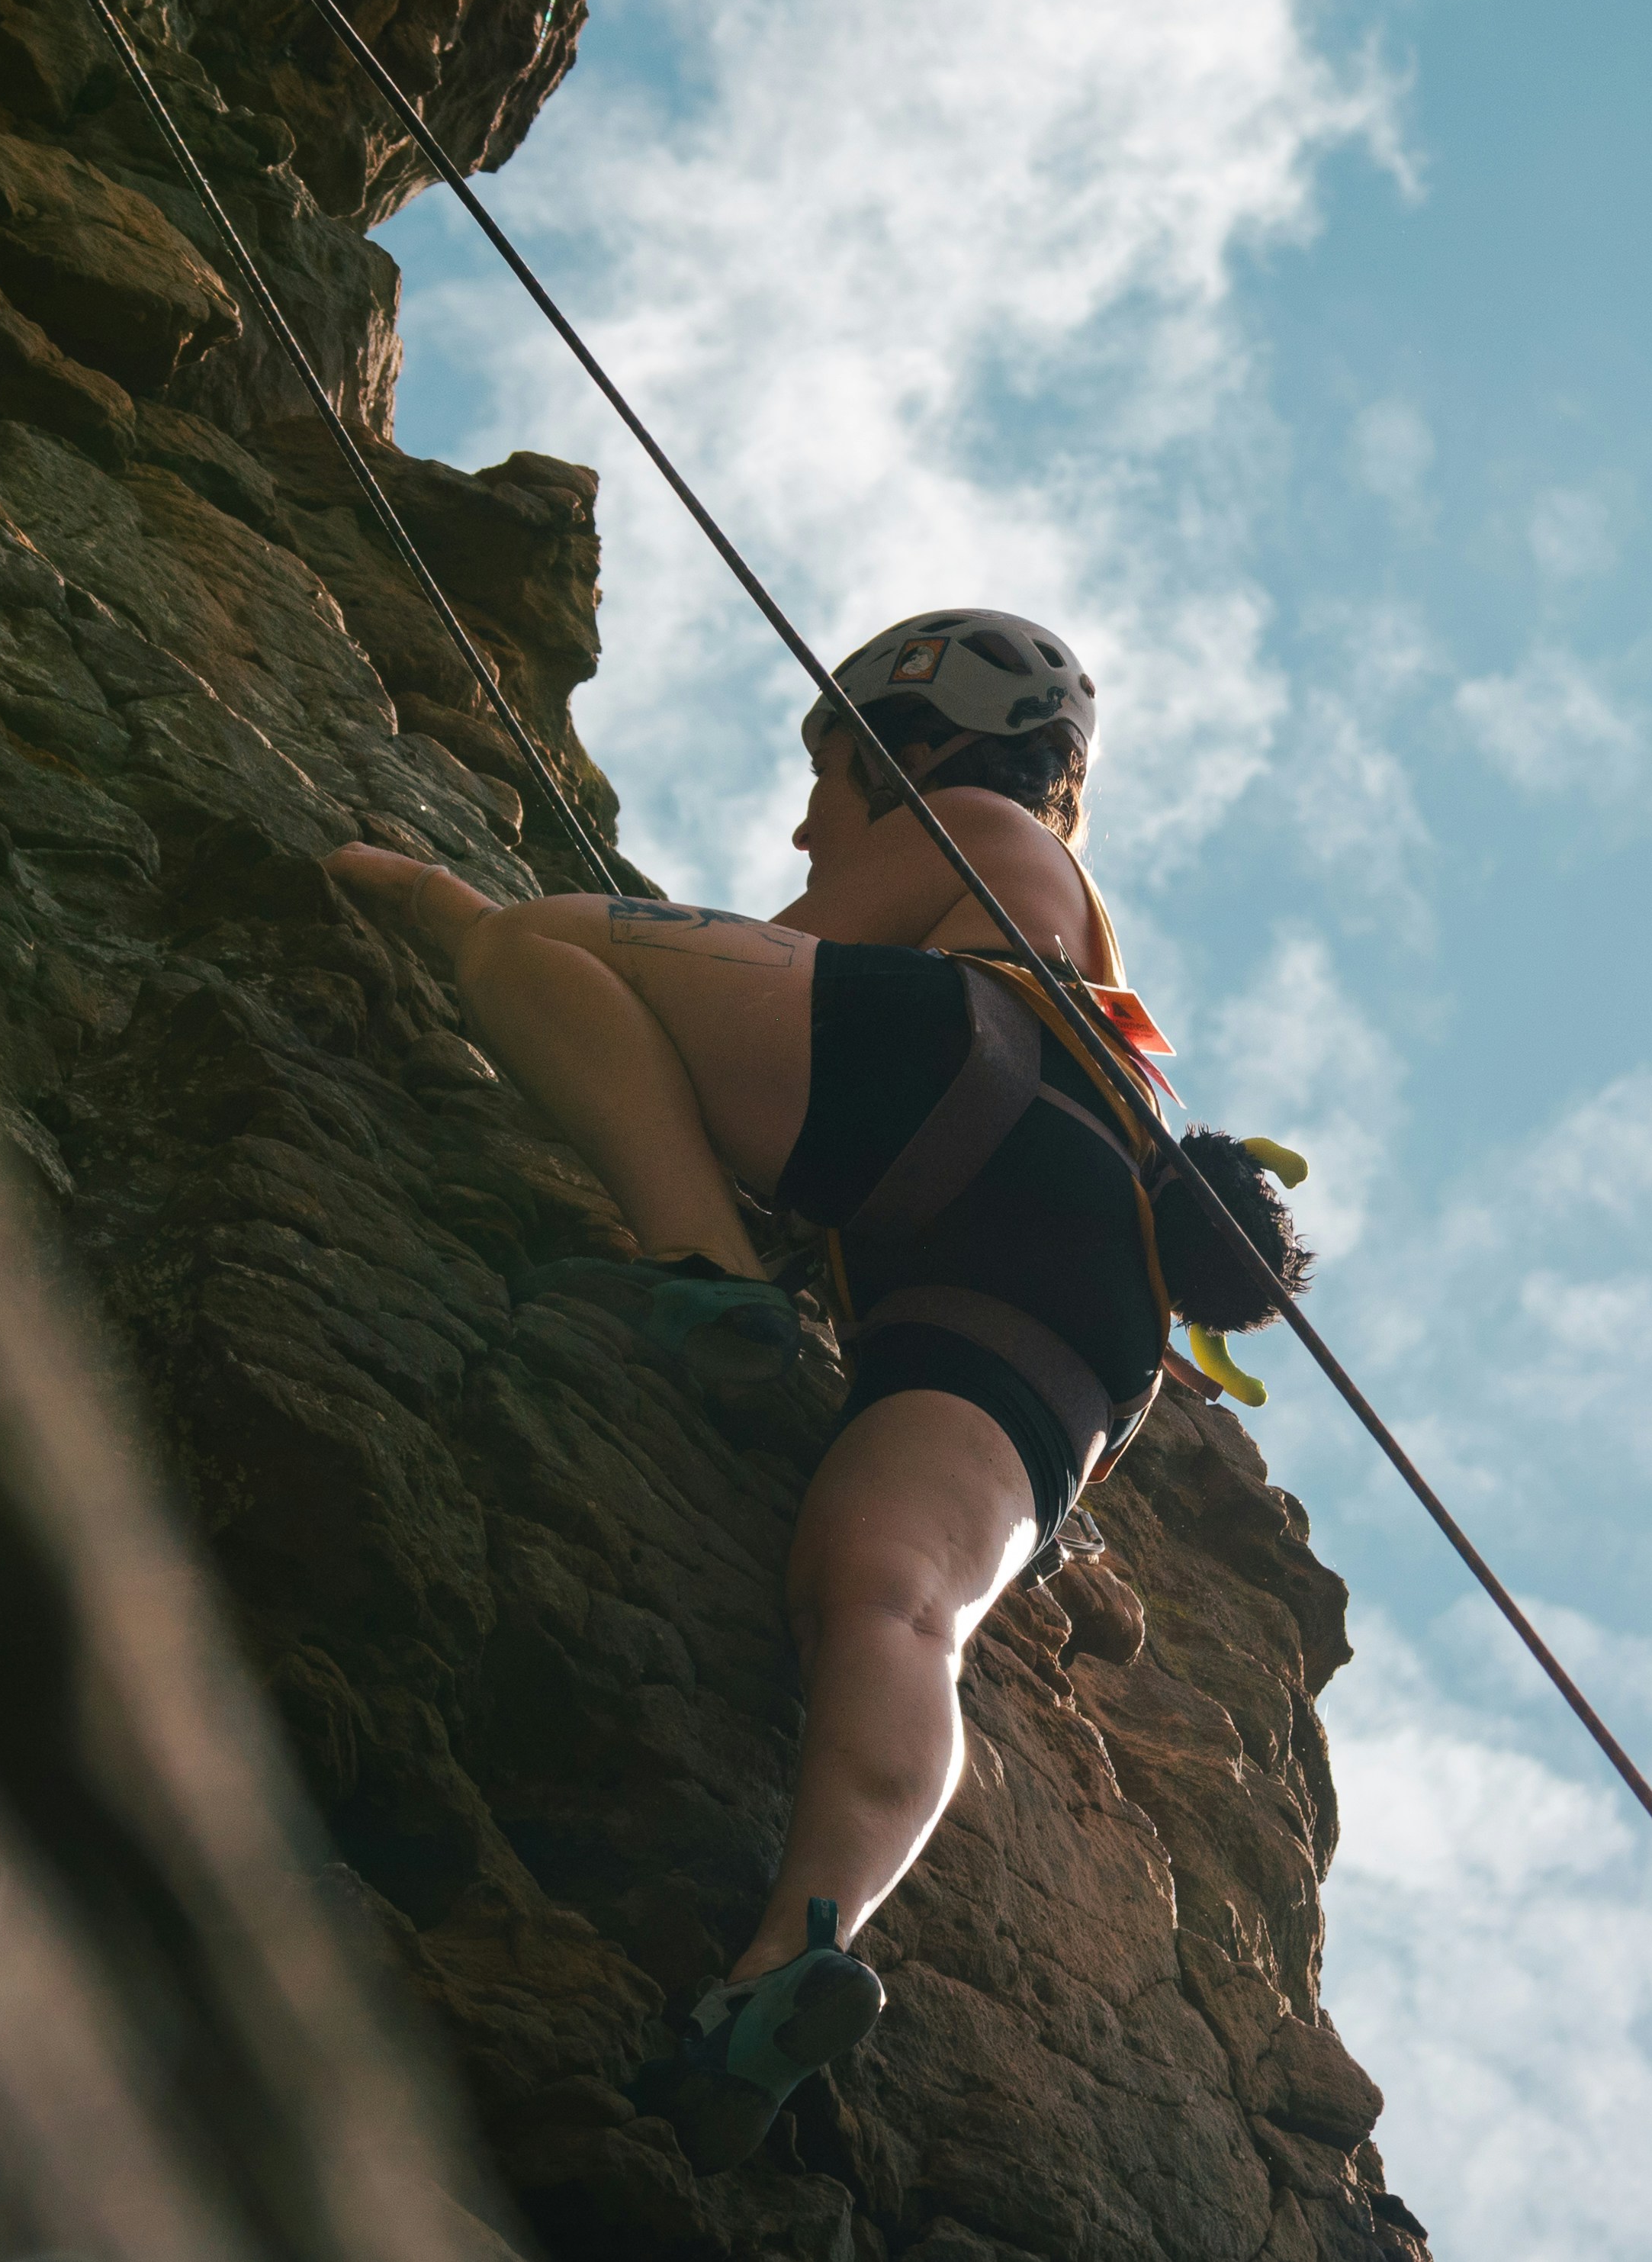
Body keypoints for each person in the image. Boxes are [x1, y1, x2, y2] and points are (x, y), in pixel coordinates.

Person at [323, 610, 1313, 2173]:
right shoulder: (1067, 909)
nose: (807, 813)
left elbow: (778, 963)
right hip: (1083, 1301)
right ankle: (791, 1951)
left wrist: (447, 905)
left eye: (827, 769)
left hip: (957, 1079)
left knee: (532, 942)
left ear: (909, 740)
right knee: (892, 1593)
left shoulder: (961, 823)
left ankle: (704, 1273)